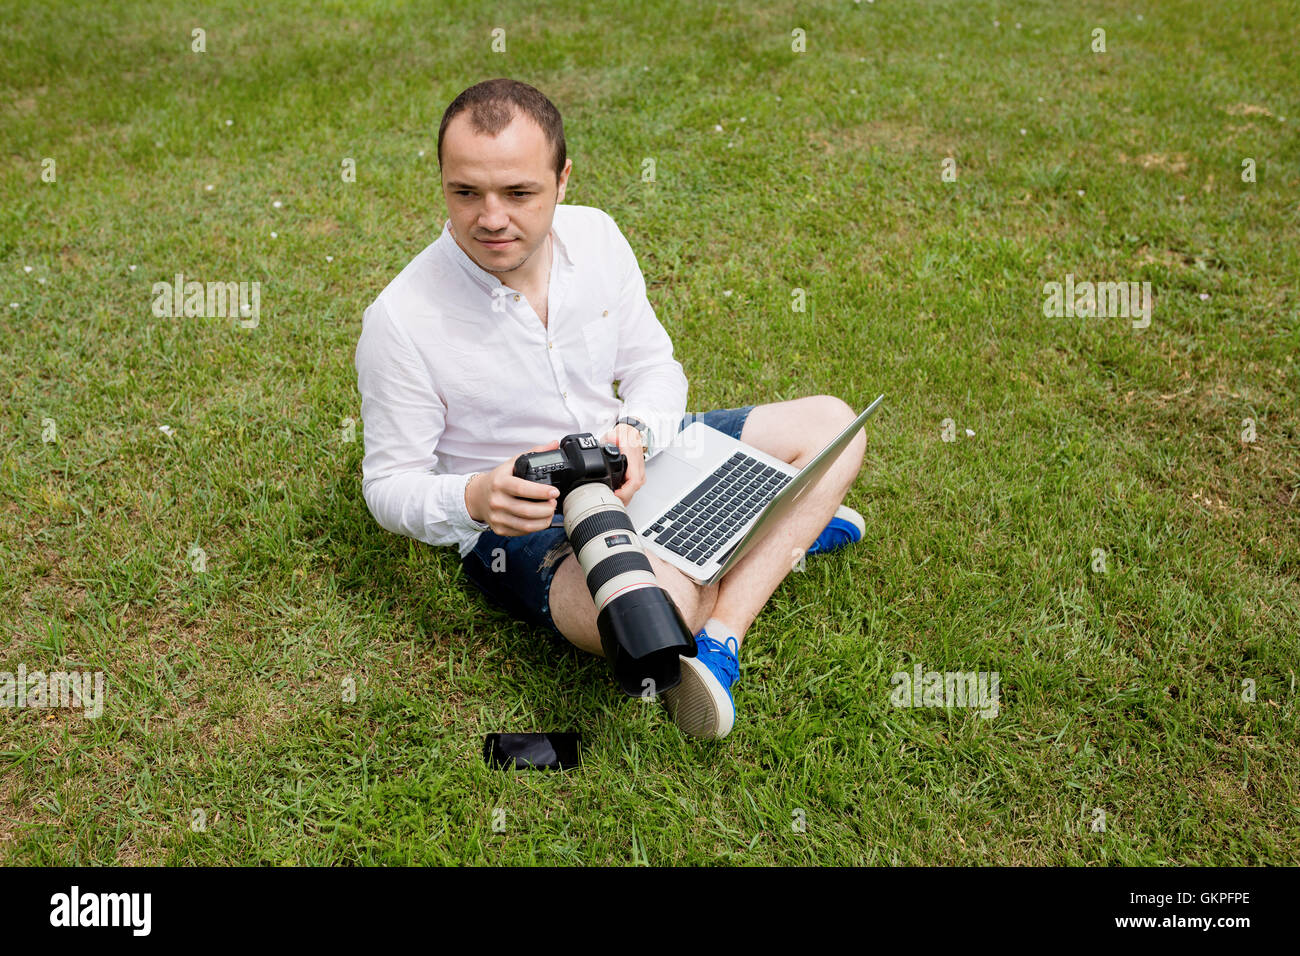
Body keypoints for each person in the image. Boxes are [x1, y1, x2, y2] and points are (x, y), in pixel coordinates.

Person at [355, 78, 868, 740]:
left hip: (630, 453)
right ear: (442, 182)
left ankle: (723, 633)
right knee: (661, 614)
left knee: (833, 424)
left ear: (562, 180)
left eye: (518, 193)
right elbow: (388, 485)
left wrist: (638, 433)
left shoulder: (595, 236)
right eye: (465, 192)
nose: (490, 218)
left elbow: (653, 368)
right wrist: (477, 496)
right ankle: (772, 534)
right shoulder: (401, 319)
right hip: (526, 528)